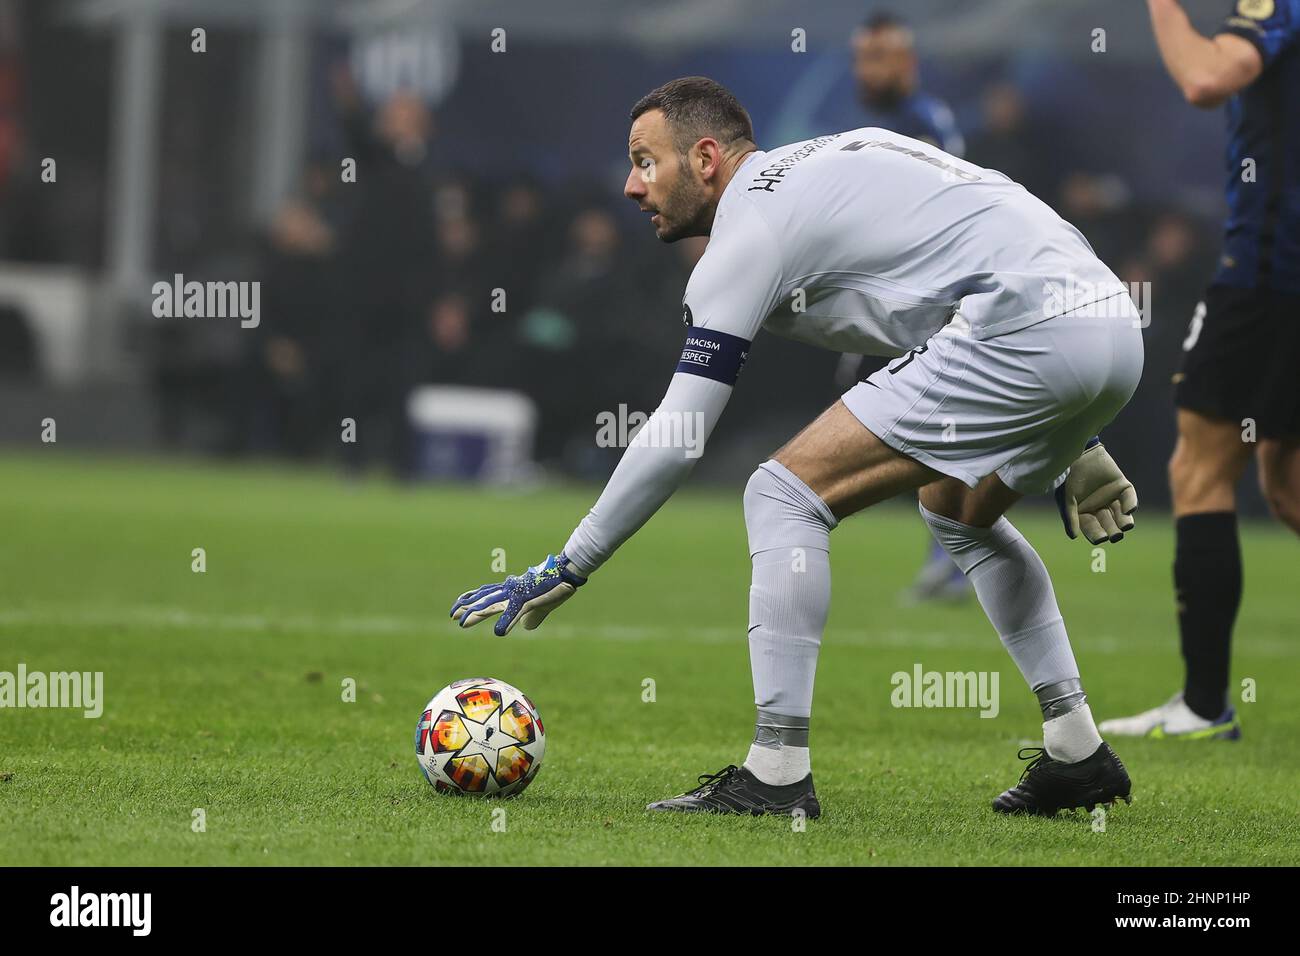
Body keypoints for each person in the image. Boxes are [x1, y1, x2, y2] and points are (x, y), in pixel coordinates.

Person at [451, 77, 1142, 817]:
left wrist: (572, 562)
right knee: (957, 511)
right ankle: (1076, 750)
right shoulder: (838, 156)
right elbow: (961, 259)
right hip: (1107, 322)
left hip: (1023, 331)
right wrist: (1079, 431)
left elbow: (681, 434)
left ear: (707, 157)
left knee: (781, 493)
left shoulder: (749, 230)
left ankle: (776, 773)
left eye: (645, 160)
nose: (629, 185)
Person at [1100, 0, 1300, 741]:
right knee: (1287, 488)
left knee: (1200, 470)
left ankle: (1205, 704)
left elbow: (1208, 78)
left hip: (1268, 281)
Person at [842, 11, 973, 603]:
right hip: (884, 301)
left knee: (935, 428)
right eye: (860, 57)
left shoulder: (923, 125)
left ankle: (956, 554)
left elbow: (925, 215)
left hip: (923, 303)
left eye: (877, 57)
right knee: (920, 429)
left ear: (906, 63)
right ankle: (955, 552)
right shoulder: (876, 124)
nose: (865, 70)